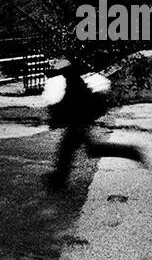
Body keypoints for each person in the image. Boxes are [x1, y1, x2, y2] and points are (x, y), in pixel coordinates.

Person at [43, 56, 145, 191]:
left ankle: (59, 180)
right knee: (80, 150)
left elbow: (70, 103)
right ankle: (58, 179)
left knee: (69, 150)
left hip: (78, 122)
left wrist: (56, 114)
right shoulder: (73, 79)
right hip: (80, 121)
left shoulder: (73, 81)